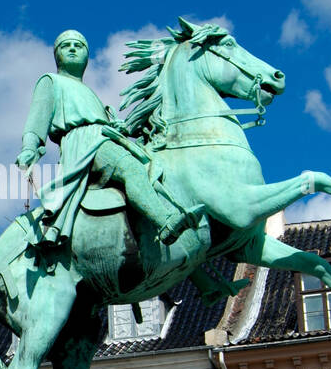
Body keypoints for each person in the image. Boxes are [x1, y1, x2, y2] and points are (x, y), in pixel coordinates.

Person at [15, 30, 202, 254]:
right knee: (131, 169)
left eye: (79, 45)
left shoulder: (90, 93)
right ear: (57, 55)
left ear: (87, 56)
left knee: (156, 168)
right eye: (66, 46)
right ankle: (165, 223)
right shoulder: (50, 81)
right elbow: (36, 121)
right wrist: (29, 148)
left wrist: (118, 127)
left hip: (105, 138)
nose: (73, 49)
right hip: (85, 143)